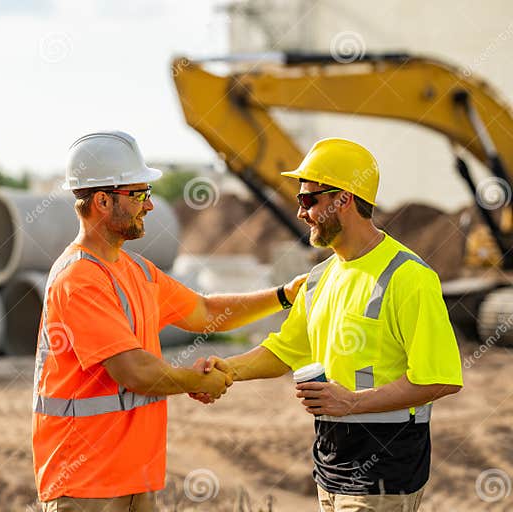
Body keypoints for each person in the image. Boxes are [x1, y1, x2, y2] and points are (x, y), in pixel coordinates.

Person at [32, 130, 306, 512]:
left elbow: (207, 313)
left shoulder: (136, 270)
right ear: (102, 201)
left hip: (134, 480)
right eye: (140, 194)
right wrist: (197, 381)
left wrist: (284, 295)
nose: (150, 206)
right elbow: (134, 371)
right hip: (86, 486)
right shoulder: (78, 279)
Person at [197, 138, 463, 511]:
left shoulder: (409, 276)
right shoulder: (319, 277)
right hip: (329, 464)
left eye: (309, 200)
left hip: (385, 470)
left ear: (345, 199)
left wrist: (352, 402)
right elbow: (284, 349)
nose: (301, 212)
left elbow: (441, 377)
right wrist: (227, 370)